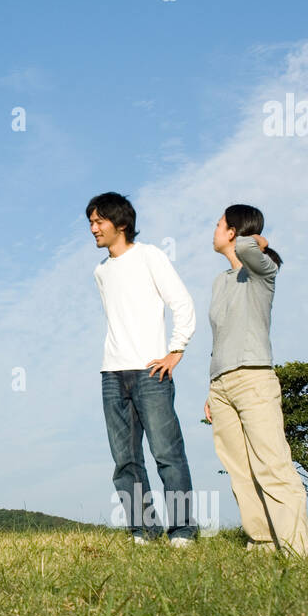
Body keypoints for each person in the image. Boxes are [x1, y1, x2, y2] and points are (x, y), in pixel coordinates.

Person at [204, 204, 308, 558]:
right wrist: (211, 386)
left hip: (254, 378)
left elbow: (251, 251)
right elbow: (221, 336)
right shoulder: (221, 281)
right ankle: (263, 542)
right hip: (221, 384)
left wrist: (255, 240)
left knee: (271, 463)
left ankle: (297, 548)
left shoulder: (262, 272)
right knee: (240, 470)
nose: (214, 229)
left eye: (220, 224)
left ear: (234, 232)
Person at [87, 192, 199, 546]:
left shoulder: (151, 255)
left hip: (151, 373)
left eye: (99, 221)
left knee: (167, 454)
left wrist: (175, 350)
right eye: (90, 222)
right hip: (112, 374)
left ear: (121, 224)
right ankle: (143, 530)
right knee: (125, 460)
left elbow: (181, 303)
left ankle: (182, 530)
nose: (93, 229)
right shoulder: (100, 271)